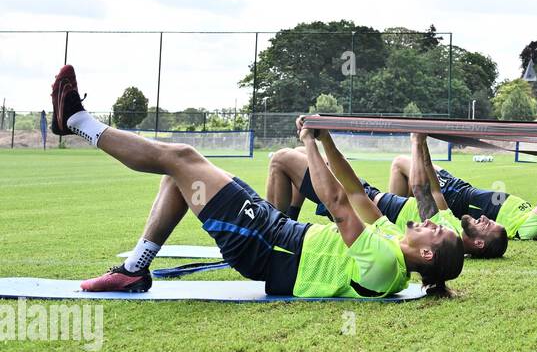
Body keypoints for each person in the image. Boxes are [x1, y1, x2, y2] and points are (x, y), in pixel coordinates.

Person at [53, 65, 469, 297]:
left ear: (428, 256)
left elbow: (340, 207)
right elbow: (355, 191)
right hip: (274, 232)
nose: (432, 224)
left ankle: (77, 122)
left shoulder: (384, 265)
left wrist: (307, 143)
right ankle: (133, 271)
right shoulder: (392, 240)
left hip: (265, 245)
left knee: (181, 159)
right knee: (179, 180)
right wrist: (326, 142)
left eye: (436, 233)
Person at [265, 134, 508, 258]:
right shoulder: (451, 226)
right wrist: (423, 146)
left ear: (479, 243)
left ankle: (270, 233)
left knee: (283, 159)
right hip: (370, 197)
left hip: (363, 202)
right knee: (298, 153)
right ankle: (286, 221)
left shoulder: (445, 233)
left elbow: (422, 190)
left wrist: (415, 141)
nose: (486, 218)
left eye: (489, 226)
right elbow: (434, 189)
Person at [384, 151, 537, 240]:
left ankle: (390, 221)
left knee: (399, 163)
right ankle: (395, 215)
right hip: (461, 189)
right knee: (407, 168)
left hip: (456, 196)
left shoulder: (532, 229)